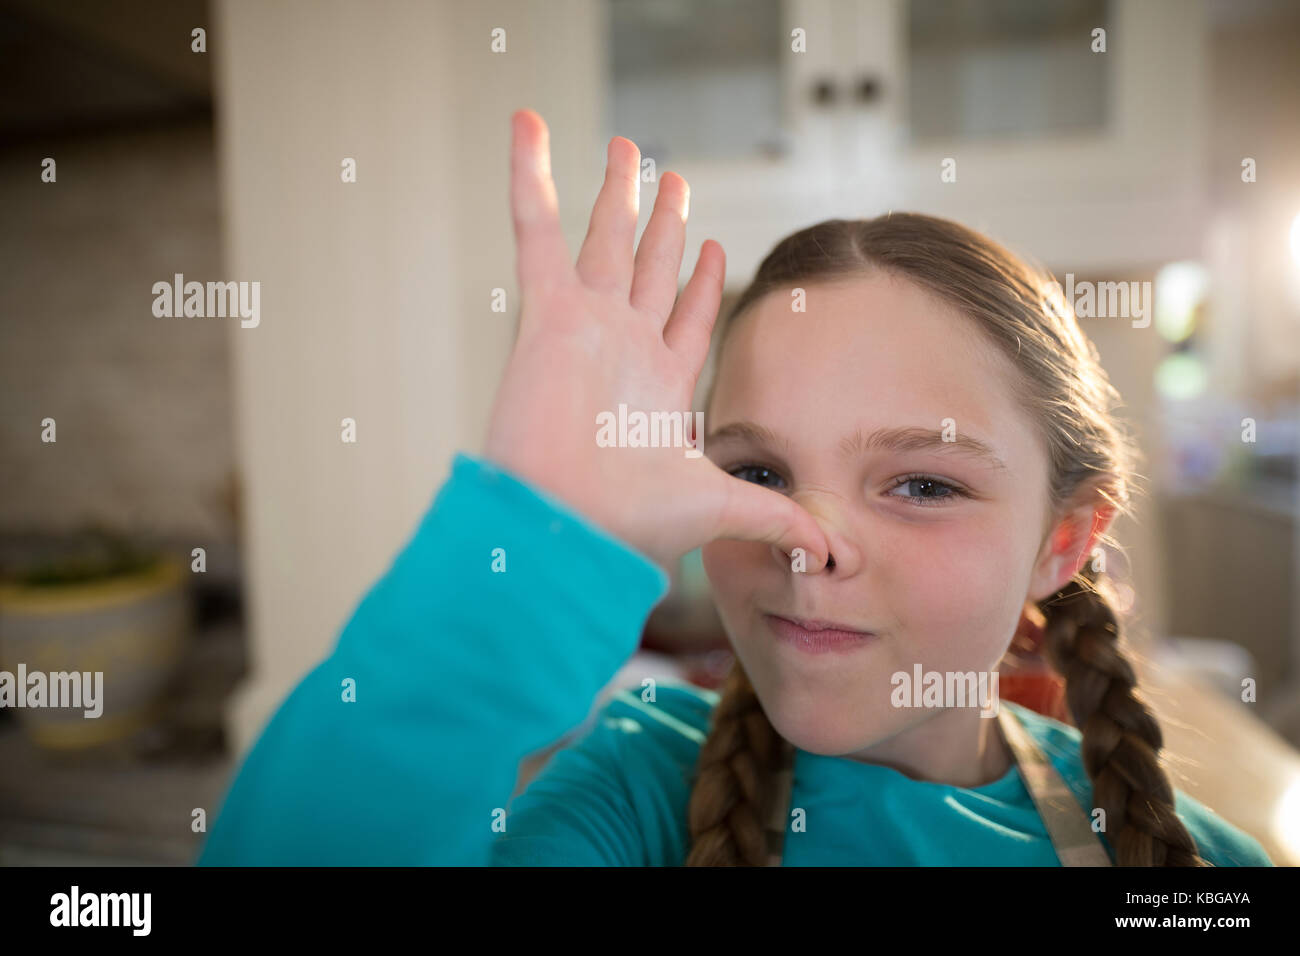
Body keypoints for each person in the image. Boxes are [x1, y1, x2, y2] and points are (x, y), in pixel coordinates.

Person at [197, 109, 1272, 866]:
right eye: (756, 470)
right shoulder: (637, 792)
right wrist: (530, 539)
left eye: (922, 482)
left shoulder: (1188, 854)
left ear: (1064, 538)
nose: (808, 541)